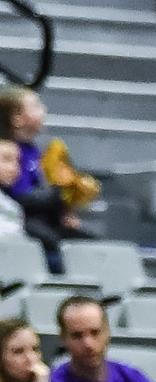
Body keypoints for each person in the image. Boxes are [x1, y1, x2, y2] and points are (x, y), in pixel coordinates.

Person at [1, 87, 94, 273]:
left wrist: (66, 206)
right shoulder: (10, 150)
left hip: (44, 219)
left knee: (90, 246)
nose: (44, 110)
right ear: (17, 118)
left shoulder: (38, 151)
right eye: (36, 106)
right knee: (55, 246)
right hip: (25, 221)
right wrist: (61, 193)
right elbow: (21, 197)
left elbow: (45, 190)